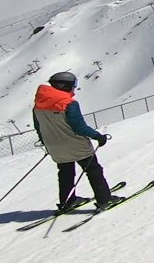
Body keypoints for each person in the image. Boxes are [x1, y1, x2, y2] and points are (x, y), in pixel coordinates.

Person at [32, 71, 124, 212]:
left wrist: (46, 143)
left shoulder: (38, 104)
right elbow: (79, 127)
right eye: (73, 85)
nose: (74, 88)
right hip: (76, 144)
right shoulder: (69, 103)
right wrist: (98, 137)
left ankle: (67, 201)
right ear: (65, 86)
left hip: (53, 146)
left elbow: (38, 126)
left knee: (65, 172)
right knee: (93, 170)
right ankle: (105, 200)